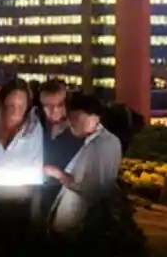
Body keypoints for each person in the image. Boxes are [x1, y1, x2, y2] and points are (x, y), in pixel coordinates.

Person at [0, 78, 45, 244]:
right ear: (1, 104)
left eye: (20, 107)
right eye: (11, 105)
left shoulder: (33, 132)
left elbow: (33, 172)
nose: (15, 112)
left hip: (21, 208)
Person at [45, 92, 124, 239]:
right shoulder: (90, 141)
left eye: (76, 118)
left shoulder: (106, 143)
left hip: (82, 231)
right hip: (70, 229)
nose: (71, 123)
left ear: (94, 117)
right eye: (71, 118)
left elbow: (98, 189)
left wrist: (60, 175)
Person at [36, 79, 83, 217]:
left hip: (69, 199)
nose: (54, 110)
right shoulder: (36, 127)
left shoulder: (80, 131)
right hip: (39, 195)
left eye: (59, 105)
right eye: (48, 106)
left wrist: (59, 174)